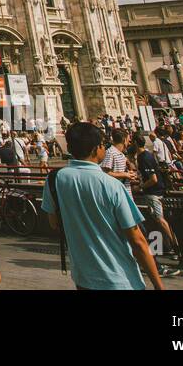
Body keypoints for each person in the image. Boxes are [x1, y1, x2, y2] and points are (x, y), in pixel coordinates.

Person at [40, 122, 164, 291]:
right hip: (120, 280)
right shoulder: (112, 185)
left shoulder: (54, 179)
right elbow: (138, 241)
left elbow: (54, 223)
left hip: (83, 279)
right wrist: (158, 285)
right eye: (103, 145)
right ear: (96, 148)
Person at [131, 133, 180, 273]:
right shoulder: (143, 156)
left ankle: (175, 248)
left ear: (135, 143)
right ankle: (168, 247)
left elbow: (153, 179)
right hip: (153, 193)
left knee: (160, 220)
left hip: (153, 193)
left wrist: (140, 187)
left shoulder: (144, 157)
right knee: (157, 220)